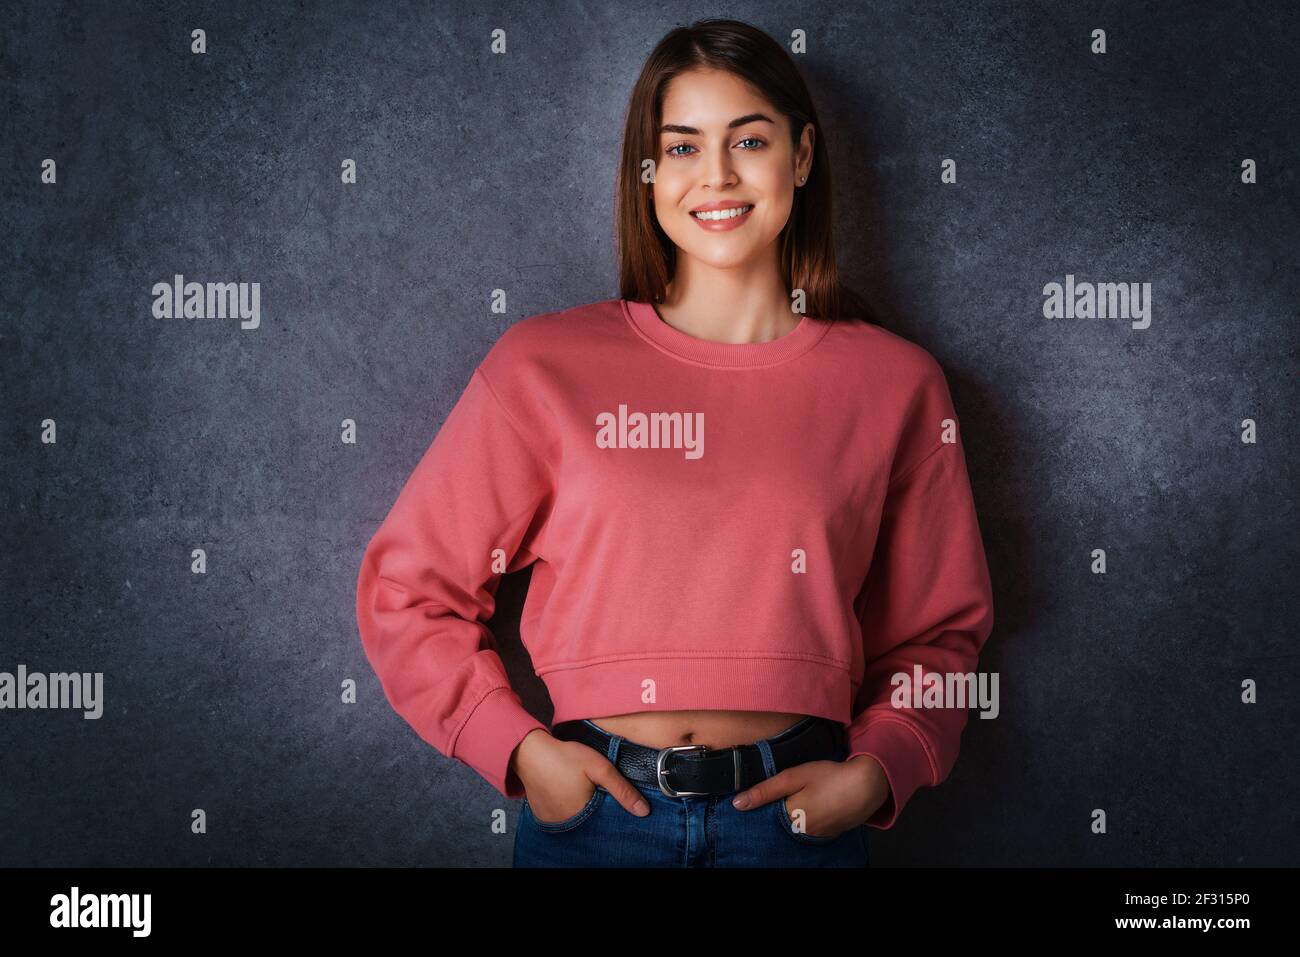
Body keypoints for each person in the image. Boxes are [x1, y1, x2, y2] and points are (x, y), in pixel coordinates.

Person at [355, 18, 995, 868]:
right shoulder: (545, 366)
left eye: (750, 140)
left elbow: (939, 631)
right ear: (647, 174)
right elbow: (408, 589)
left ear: (801, 159)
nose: (718, 176)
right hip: (594, 821)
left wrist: (879, 772)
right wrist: (519, 751)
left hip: (798, 825)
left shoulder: (896, 384)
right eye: (683, 147)